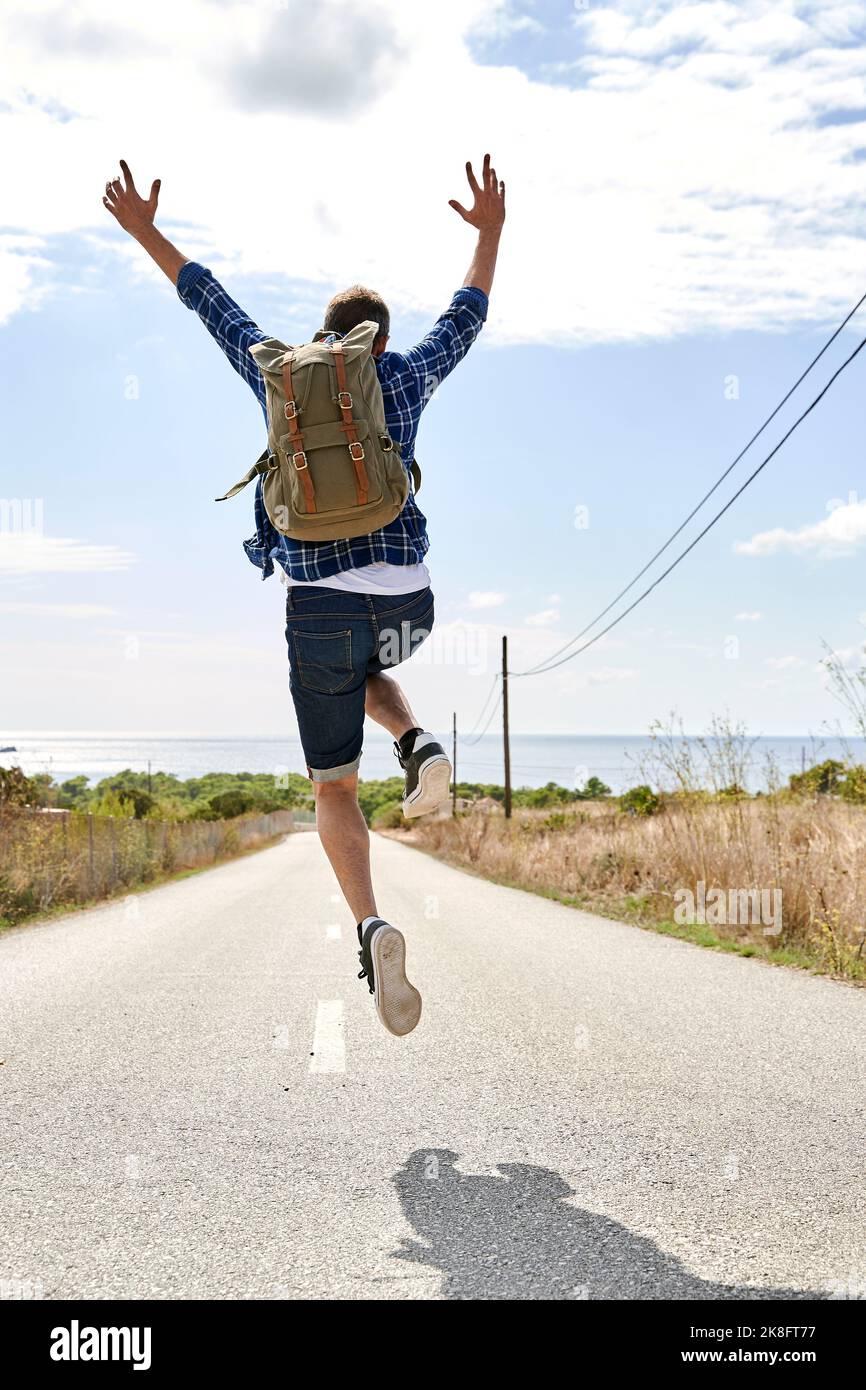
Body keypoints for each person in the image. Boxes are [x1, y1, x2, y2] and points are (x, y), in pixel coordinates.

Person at [103, 155, 506, 1037]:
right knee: (374, 669)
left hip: (316, 602)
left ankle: (371, 926)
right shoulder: (399, 378)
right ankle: (419, 738)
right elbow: (465, 320)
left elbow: (212, 303)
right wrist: (488, 233)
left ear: (323, 338)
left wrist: (143, 230)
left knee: (333, 787)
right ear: (376, 343)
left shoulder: (278, 375)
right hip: (409, 595)